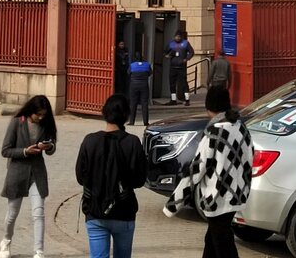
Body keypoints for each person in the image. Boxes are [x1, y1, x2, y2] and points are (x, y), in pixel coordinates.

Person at [163, 85, 253, 258]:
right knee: (213, 240)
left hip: (216, 197)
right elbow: (249, 160)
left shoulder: (214, 132)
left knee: (222, 244)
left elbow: (196, 171)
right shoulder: (242, 129)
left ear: (209, 107)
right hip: (236, 195)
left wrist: (173, 204)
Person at [76, 92, 148, 258]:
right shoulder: (133, 142)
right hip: (124, 211)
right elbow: (140, 180)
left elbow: (81, 177)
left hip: (95, 211)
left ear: (104, 113)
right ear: (126, 116)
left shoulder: (89, 141)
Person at [0, 94, 57, 258]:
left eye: (43, 114)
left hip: (37, 173)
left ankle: (39, 251)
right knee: (12, 214)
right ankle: (6, 241)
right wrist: (25, 151)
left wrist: (49, 146)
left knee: (38, 213)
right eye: (38, 114)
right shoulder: (18, 121)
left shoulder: (45, 124)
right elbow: (5, 150)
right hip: (17, 172)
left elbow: (52, 147)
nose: (40, 117)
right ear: (31, 111)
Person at [164, 30, 194, 105]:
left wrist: (186, 59)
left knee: (184, 83)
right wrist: (167, 56)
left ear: (181, 37)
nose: (177, 38)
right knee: (172, 83)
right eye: (176, 37)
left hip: (181, 67)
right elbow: (165, 52)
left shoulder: (185, 43)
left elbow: (191, 52)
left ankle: (187, 99)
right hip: (173, 66)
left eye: (179, 37)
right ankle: (173, 100)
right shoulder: (171, 44)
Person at [128, 51, 152, 126]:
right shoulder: (147, 65)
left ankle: (132, 122)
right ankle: (145, 122)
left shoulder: (132, 65)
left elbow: (128, 73)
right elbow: (150, 73)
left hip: (134, 85)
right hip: (144, 85)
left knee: (133, 103)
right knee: (144, 103)